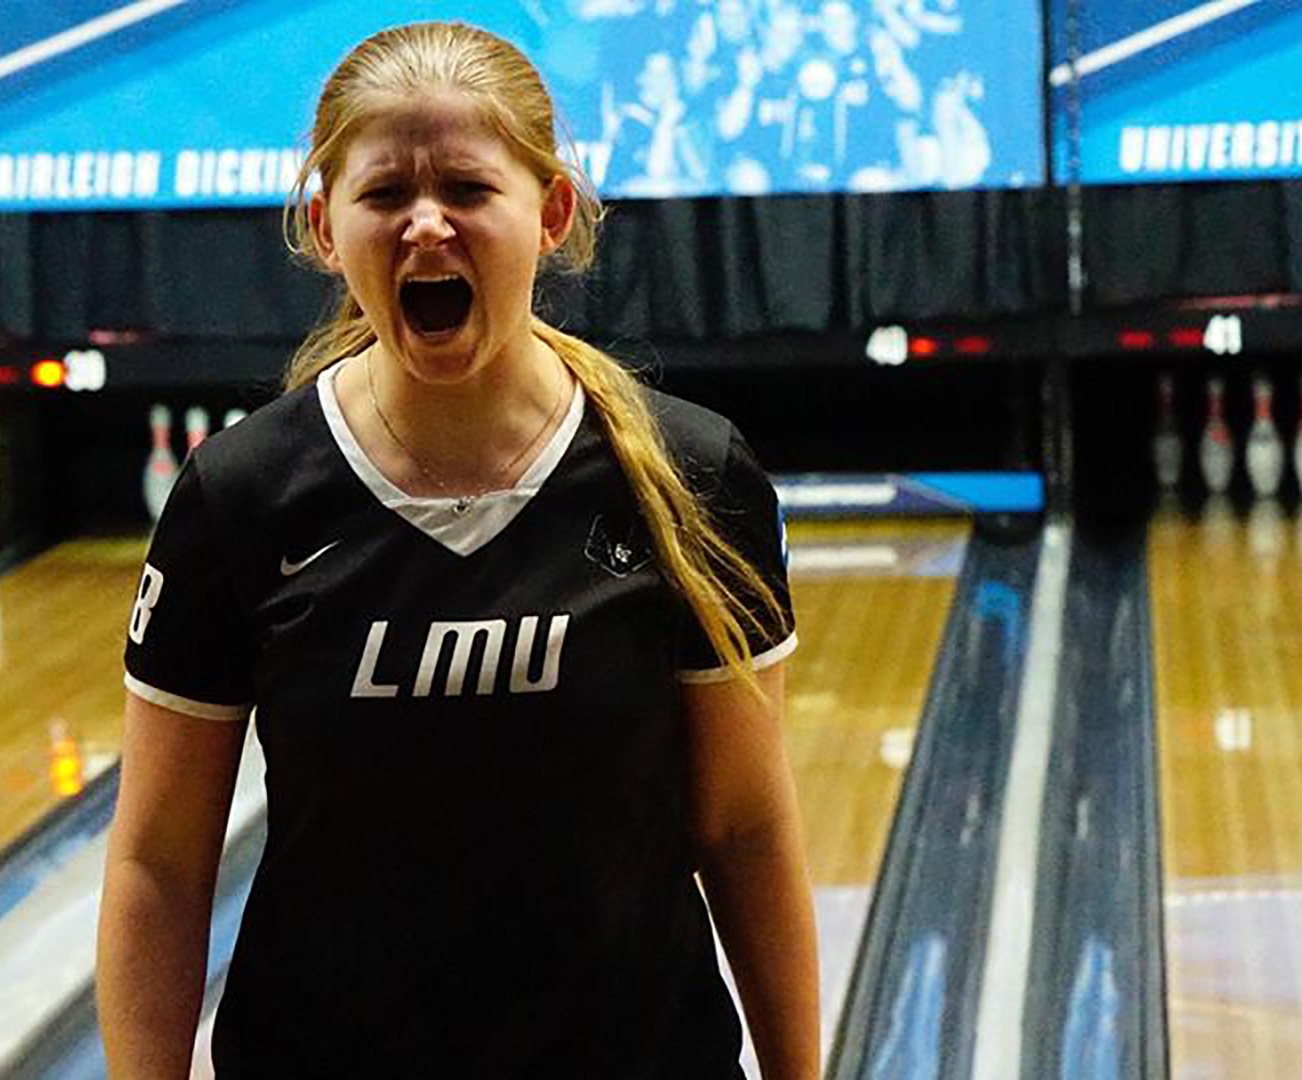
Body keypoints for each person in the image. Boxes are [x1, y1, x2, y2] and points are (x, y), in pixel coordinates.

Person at [99, 20, 818, 1080]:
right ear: (326, 227)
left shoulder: (691, 476)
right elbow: (159, 864)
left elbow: (747, 830)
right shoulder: (242, 496)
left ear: (552, 213)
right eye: (385, 194)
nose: (425, 226)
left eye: (471, 191)